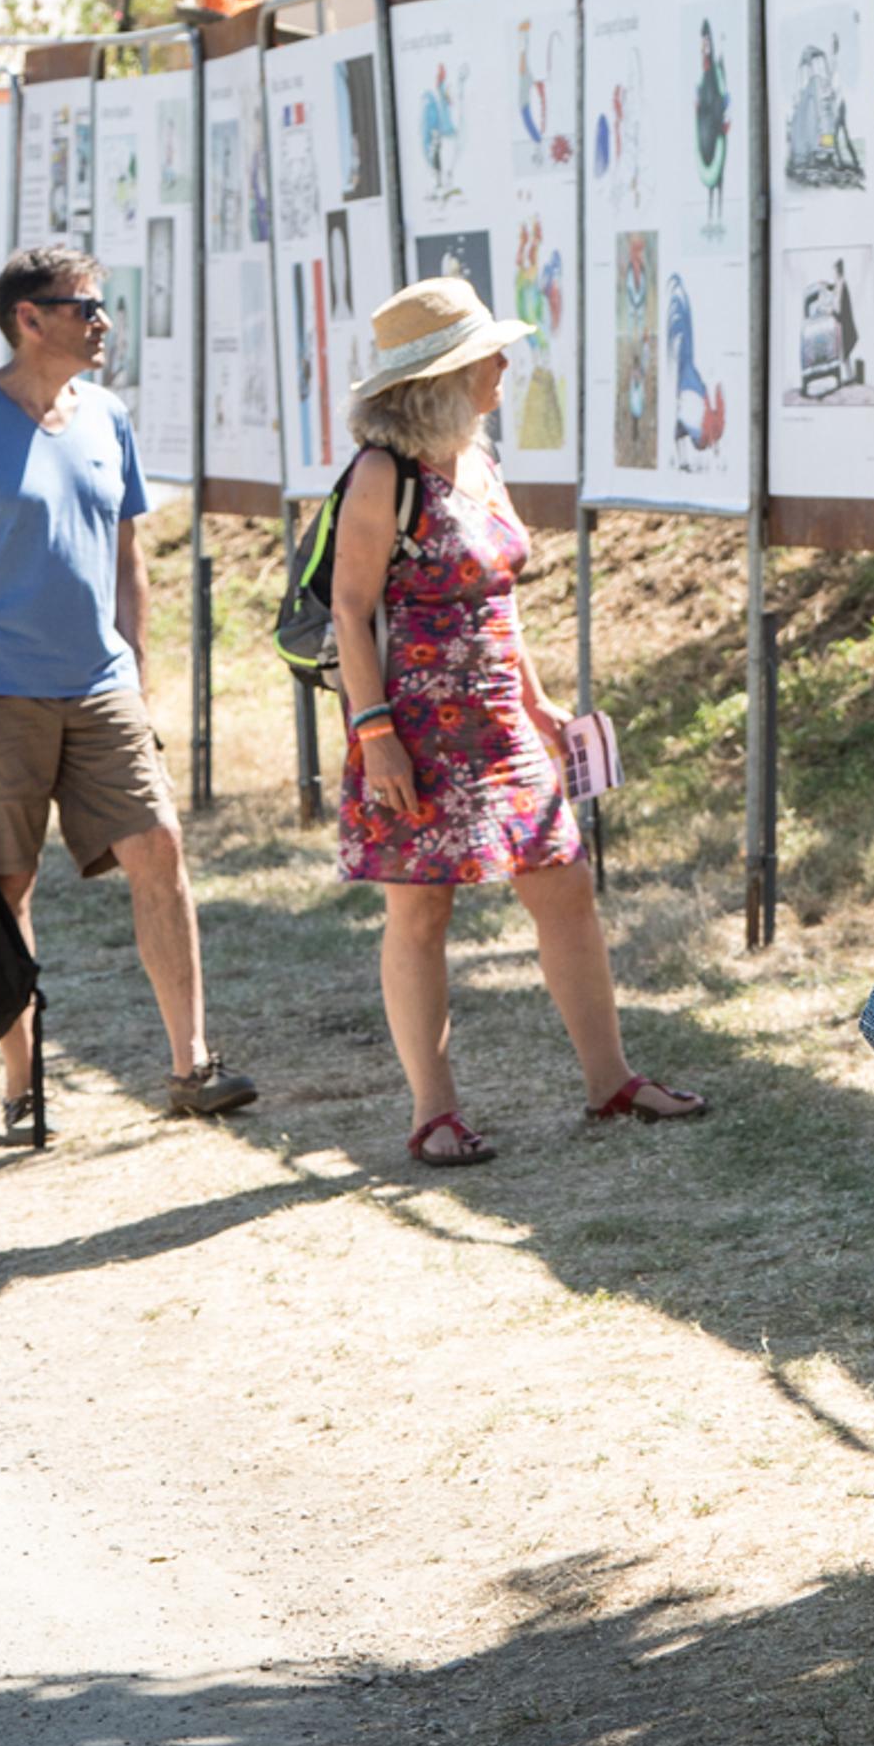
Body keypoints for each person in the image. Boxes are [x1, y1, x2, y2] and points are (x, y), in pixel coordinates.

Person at [328, 277, 704, 1167]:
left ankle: (611, 1081)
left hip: (500, 719)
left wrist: (536, 701)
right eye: (488, 354)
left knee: (565, 884)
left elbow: (499, 599)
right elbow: (349, 609)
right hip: (413, 726)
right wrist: (375, 734)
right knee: (422, 910)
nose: (504, 363)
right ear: (442, 376)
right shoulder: (383, 474)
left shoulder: (478, 459)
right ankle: (434, 1111)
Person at [0, 244, 248, 1127]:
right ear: (29, 319)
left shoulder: (108, 417)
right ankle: (22, 1083)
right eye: (85, 307)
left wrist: (136, 669)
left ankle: (193, 1065)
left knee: (159, 847)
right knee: (5, 884)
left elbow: (129, 557)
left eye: (101, 305)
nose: (103, 323)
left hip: (100, 686)